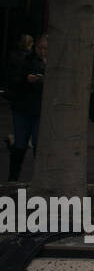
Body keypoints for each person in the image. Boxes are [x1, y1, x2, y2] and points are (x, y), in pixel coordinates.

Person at [7, 35, 46, 181]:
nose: (42, 51)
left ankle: (37, 177)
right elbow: (14, 80)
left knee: (37, 142)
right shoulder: (25, 60)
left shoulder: (50, 63)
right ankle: (13, 177)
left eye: (45, 49)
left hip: (39, 107)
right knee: (20, 143)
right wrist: (26, 79)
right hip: (24, 106)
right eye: (40, 48)